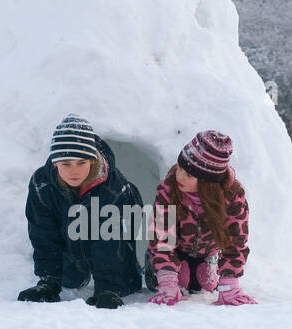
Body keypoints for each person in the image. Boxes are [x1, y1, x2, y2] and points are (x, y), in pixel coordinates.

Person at [17, 114, 143, 308]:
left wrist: (106, 288)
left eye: (81, 163)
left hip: (114, 246)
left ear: (92, 160)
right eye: (66, 164)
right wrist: (48, 281)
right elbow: (43, 235)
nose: (74, 171)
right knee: (69, 279)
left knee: (124, 284)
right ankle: (75, 271)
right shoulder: (42, 185)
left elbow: (111, 242)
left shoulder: (115, 189)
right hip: (71, 242)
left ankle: (123, 274)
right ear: (55, 163)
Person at [147, 130, 257, 306]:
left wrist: (229, 284)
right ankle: (172, 271)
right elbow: (162, 239)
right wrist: (167, 281)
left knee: (205, 284)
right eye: (180, 167)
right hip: (175, 251)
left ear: (208, 182)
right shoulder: (169, 191)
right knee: (170, 281)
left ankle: (205, 266)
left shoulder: (232, 197)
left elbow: (235, 242)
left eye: (189, 175)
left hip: (208, 252)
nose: (179, 176)